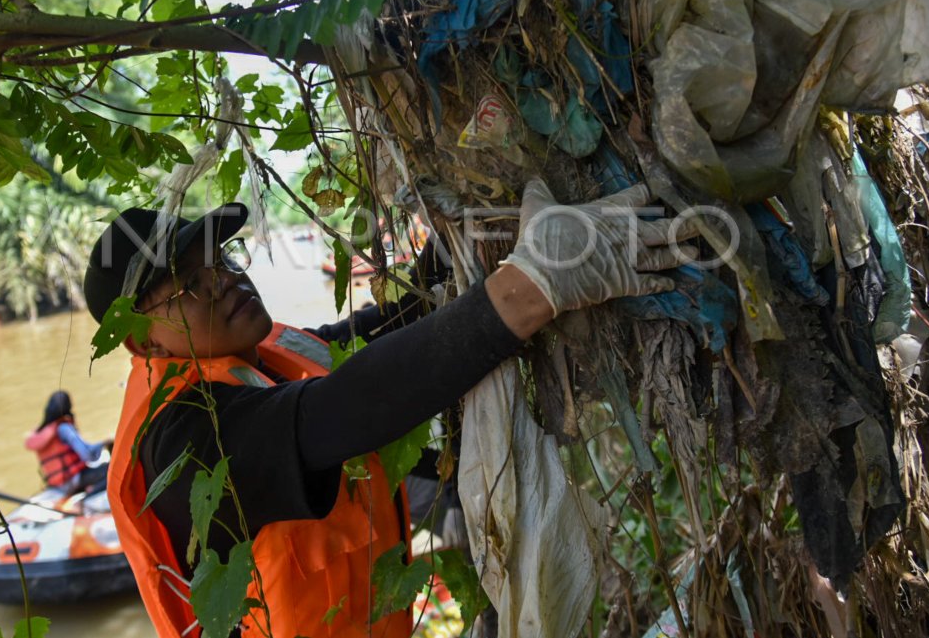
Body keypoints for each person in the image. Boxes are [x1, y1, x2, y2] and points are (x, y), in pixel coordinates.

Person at [83, 180, 695, 638]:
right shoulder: (184, 439)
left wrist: (460, 235)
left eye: (224, 260)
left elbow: (380, 335)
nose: (225, 280)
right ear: (141, 341)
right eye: (191, 284)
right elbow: (340, 409)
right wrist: (532, 285)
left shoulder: (262, 355)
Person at [24, 390, 112, 493]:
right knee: (113, 470)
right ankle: (87, 496)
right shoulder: (64, 428)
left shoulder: (42, 431)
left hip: (56, 484)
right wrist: (104, 443)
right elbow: (88, 455)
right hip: (72, 481)